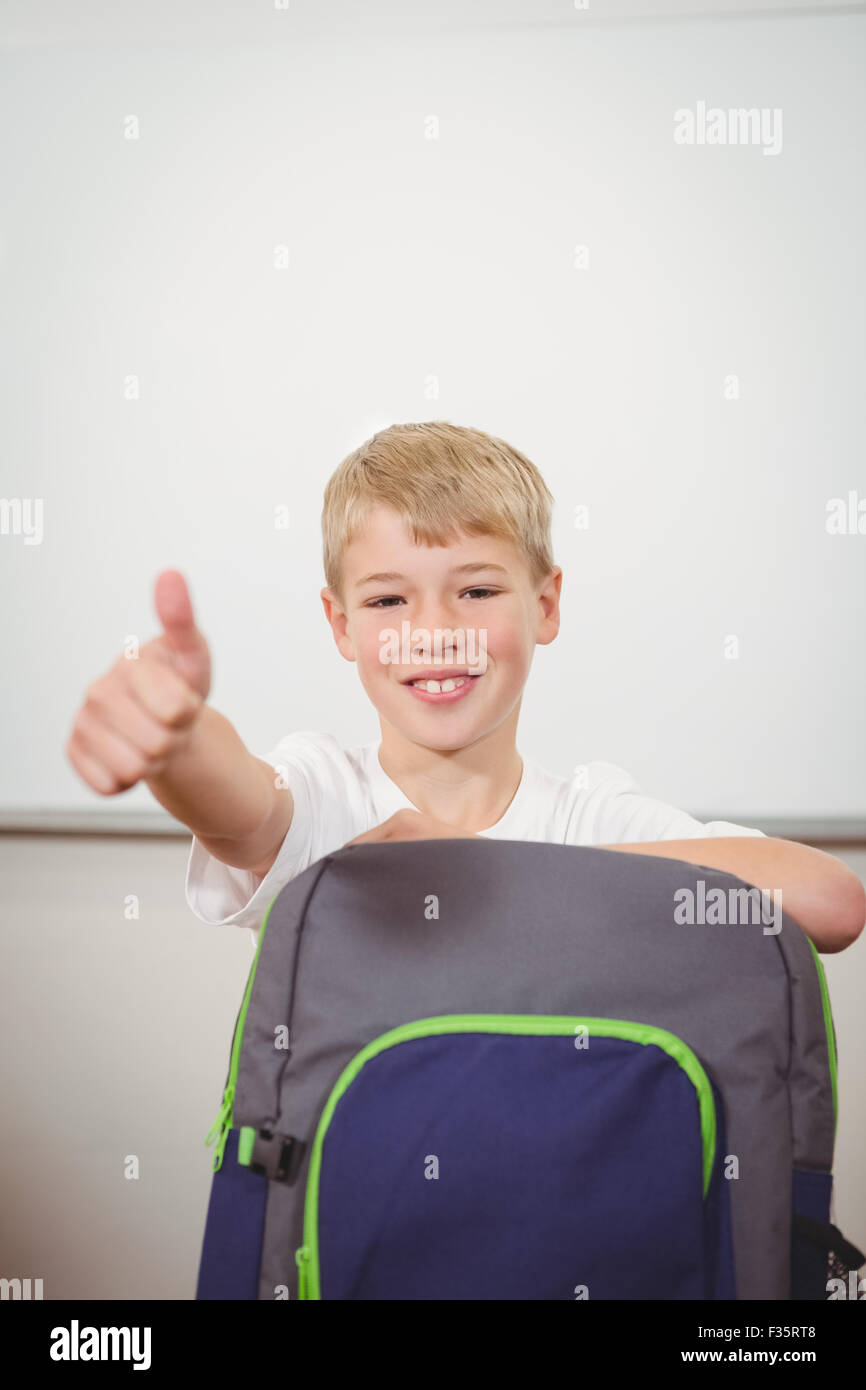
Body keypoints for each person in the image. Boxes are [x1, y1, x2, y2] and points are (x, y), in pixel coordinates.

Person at [66, 421, 865, 953]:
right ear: (340, 625)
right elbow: (240, 805)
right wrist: (175, 742)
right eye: (386, 600)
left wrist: (495, 872)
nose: (434, 630)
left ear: (545, 605)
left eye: (476, 591)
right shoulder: (324, 796)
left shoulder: (590, 819)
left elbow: (830, 902)